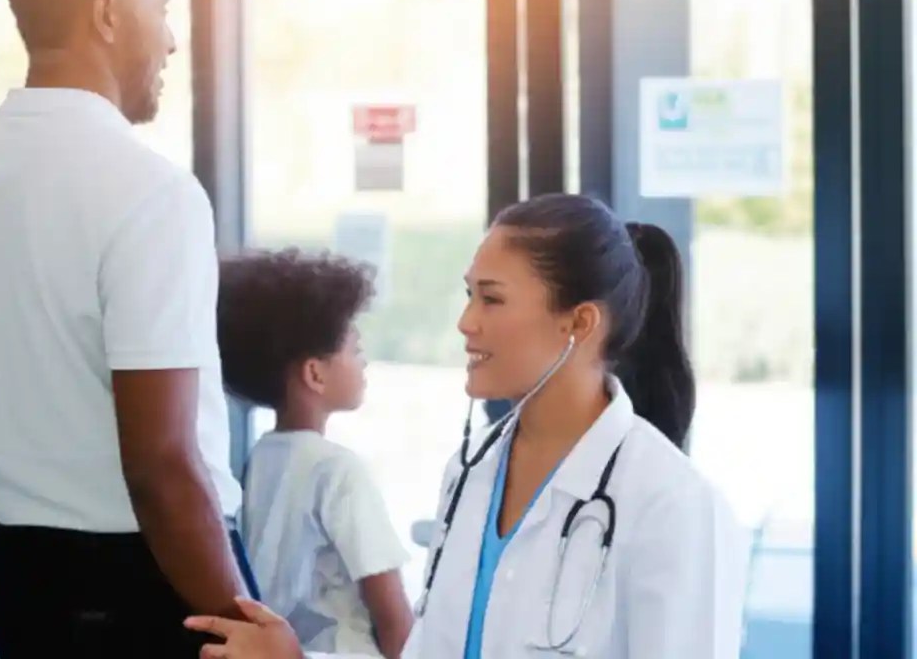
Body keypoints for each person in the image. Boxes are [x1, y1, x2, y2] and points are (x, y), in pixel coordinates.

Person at [185, 193, 749, 659]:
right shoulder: (471, 473)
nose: (465, 322)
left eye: (492, 299)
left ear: (578, 322)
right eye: (468, 295)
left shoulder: (672, 504)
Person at [0, 0, 251, 656]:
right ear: (108, 13)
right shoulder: (151, 192)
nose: (173, 39)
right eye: (161, 8)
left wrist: (36, 469)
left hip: (22, 579)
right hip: (154, 583)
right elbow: (159, 465)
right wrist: (240, 624)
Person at [217, 250, 414, 658]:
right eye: (355, 349)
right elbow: (395, 620)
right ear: (315, 374)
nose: (364, 362)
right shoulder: (338, 470)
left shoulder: (260, 460)